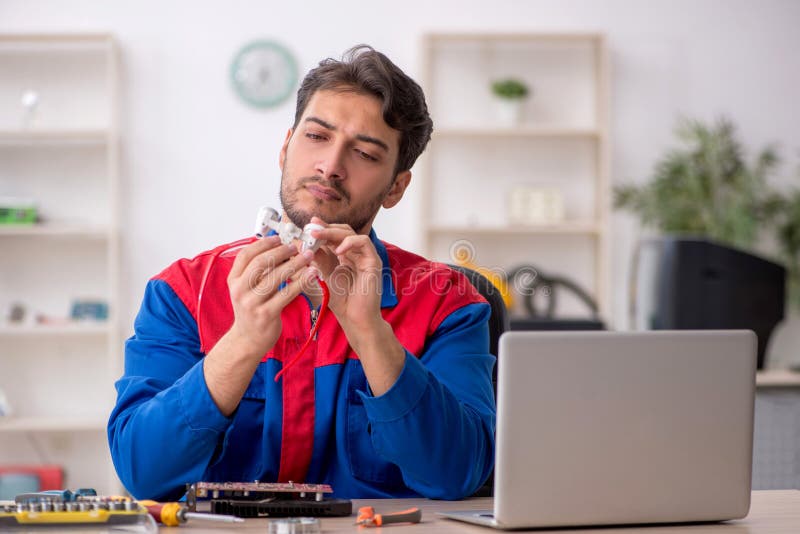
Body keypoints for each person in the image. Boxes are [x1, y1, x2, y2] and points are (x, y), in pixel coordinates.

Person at [108, 45, 496, 501]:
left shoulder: (446, 302)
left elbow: (457, 473)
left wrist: (368, 331)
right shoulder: (182, 292)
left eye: (366, 154)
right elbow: (143, 472)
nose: (331, 165)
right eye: (316, 136)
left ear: (396, 187)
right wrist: (242, 343)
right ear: (285, 147)